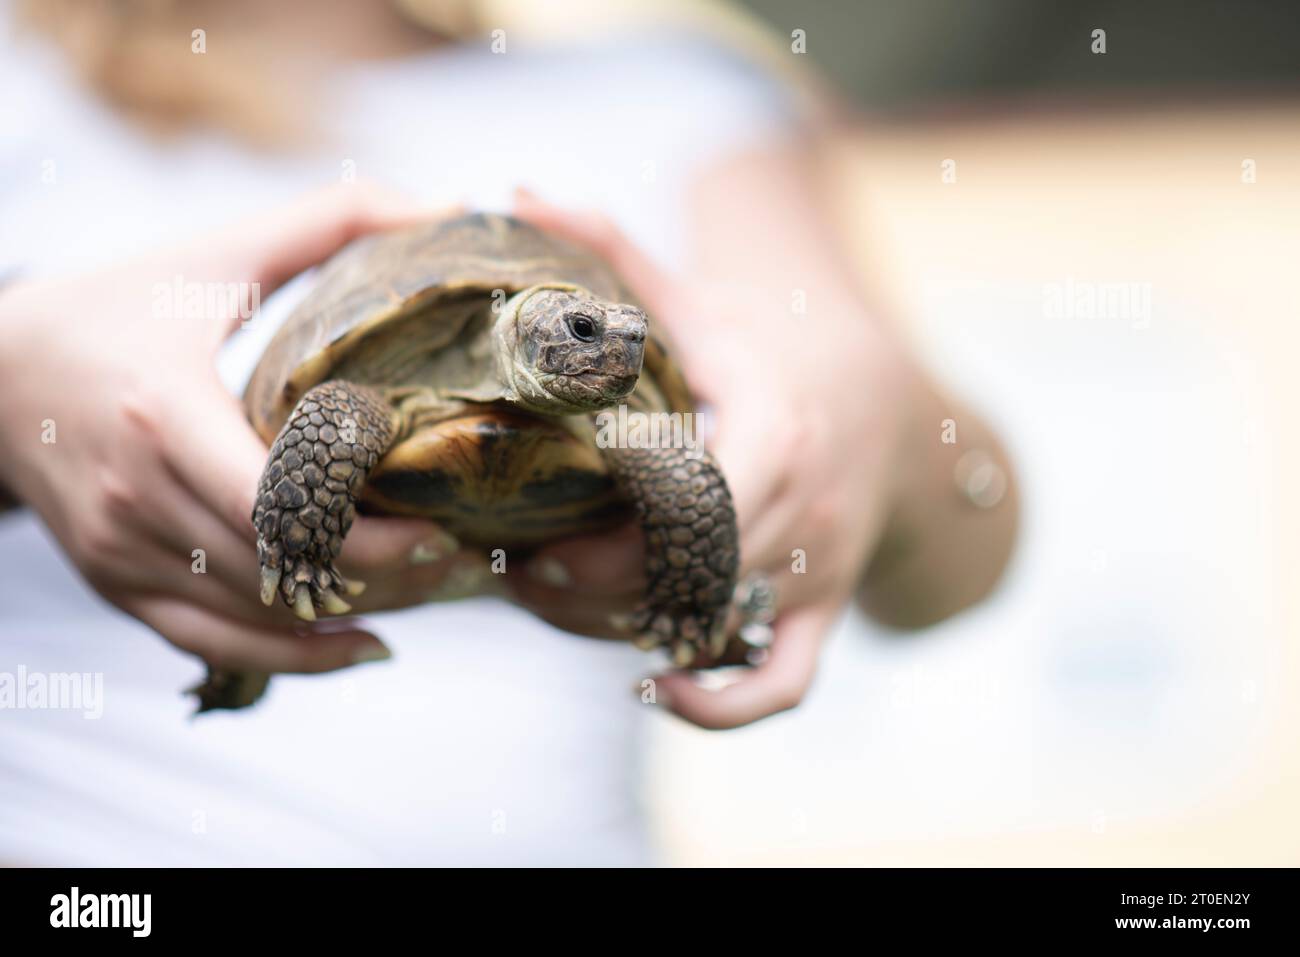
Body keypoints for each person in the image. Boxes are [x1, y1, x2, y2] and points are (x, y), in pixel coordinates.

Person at [0, 0, 1016, 864]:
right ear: (527, 339)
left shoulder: (676, 95)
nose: (612, 351)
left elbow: (970, 541)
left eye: (620, 338)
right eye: (583, 332)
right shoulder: (23, 87)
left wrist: (874, 429)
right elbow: (333, 413)